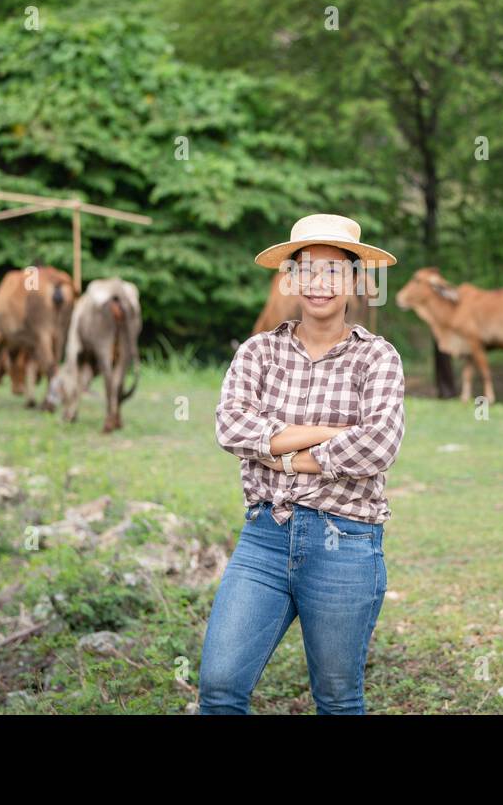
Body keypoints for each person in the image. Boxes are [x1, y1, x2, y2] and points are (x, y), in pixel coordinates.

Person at [199, 213, 406, 714]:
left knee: (337, 698)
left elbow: (378, 446)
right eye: (307, 269)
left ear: (356, 281)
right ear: (289, 278)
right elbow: (231, 428)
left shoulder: (377, 358)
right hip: (264, 538)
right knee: (220, 685)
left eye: (334, 271)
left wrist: (285, 459)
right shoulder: (257, 353)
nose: (319, 283)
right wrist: (333, 436)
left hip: (346, 542)